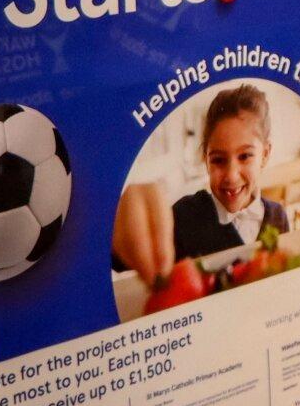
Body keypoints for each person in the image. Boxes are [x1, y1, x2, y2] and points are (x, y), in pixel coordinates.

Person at [113, 83, 287, 281]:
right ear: (206, 158)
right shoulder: (183, 216)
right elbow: (116, 257)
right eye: (218, 160)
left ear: (265, 154)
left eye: (245, 156)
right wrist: (119, 218)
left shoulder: (278, 217)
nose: (231, 175)